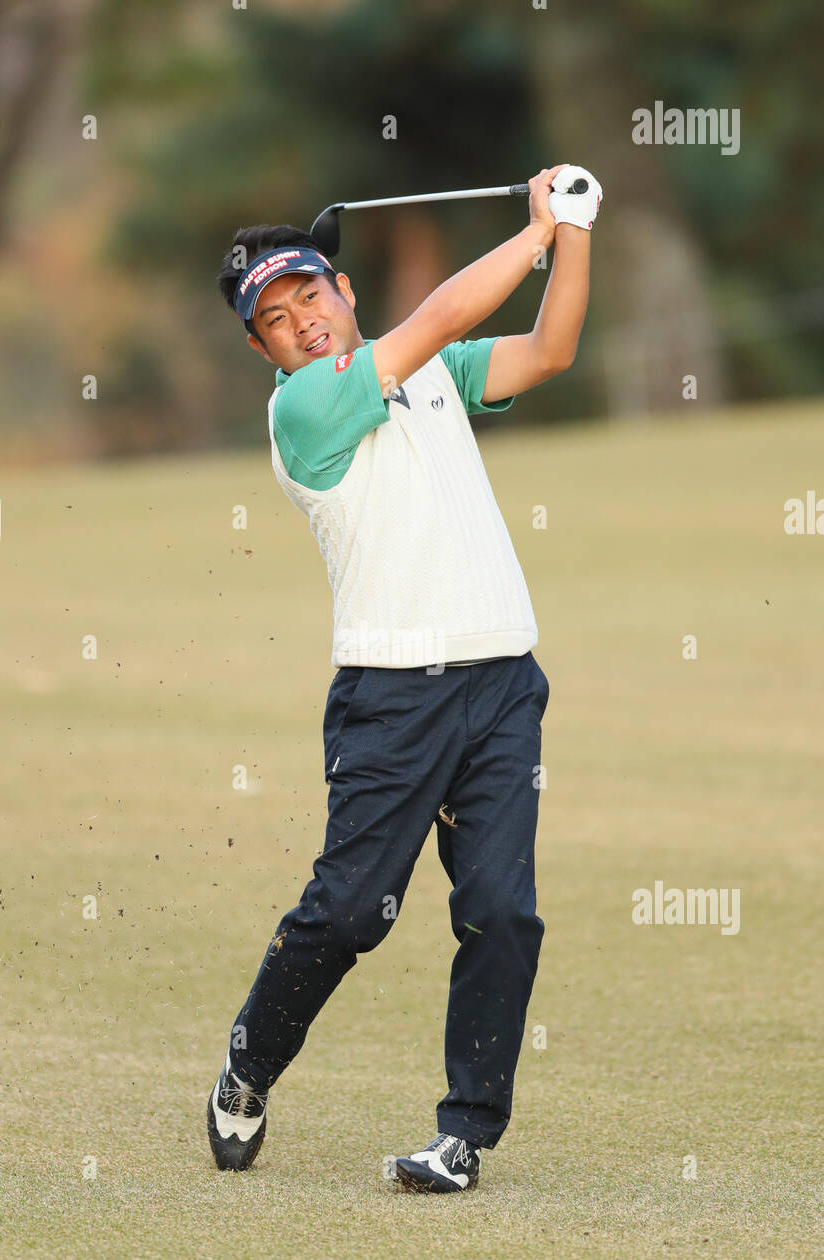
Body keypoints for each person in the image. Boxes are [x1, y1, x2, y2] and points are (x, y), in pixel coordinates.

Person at [208, 164, 601, 1193]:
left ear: (344, 292)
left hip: (502, 680)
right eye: (276, 320)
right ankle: (248, 1066)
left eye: (310, 297)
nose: (300, 324)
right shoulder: (305, 413)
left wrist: (575, 231)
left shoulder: (429, 373)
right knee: (348, 916)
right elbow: (432, 315)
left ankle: (463, 1132)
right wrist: (533, 235)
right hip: (391, 698)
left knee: (500, 910)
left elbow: (550, 350)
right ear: (263, 350)